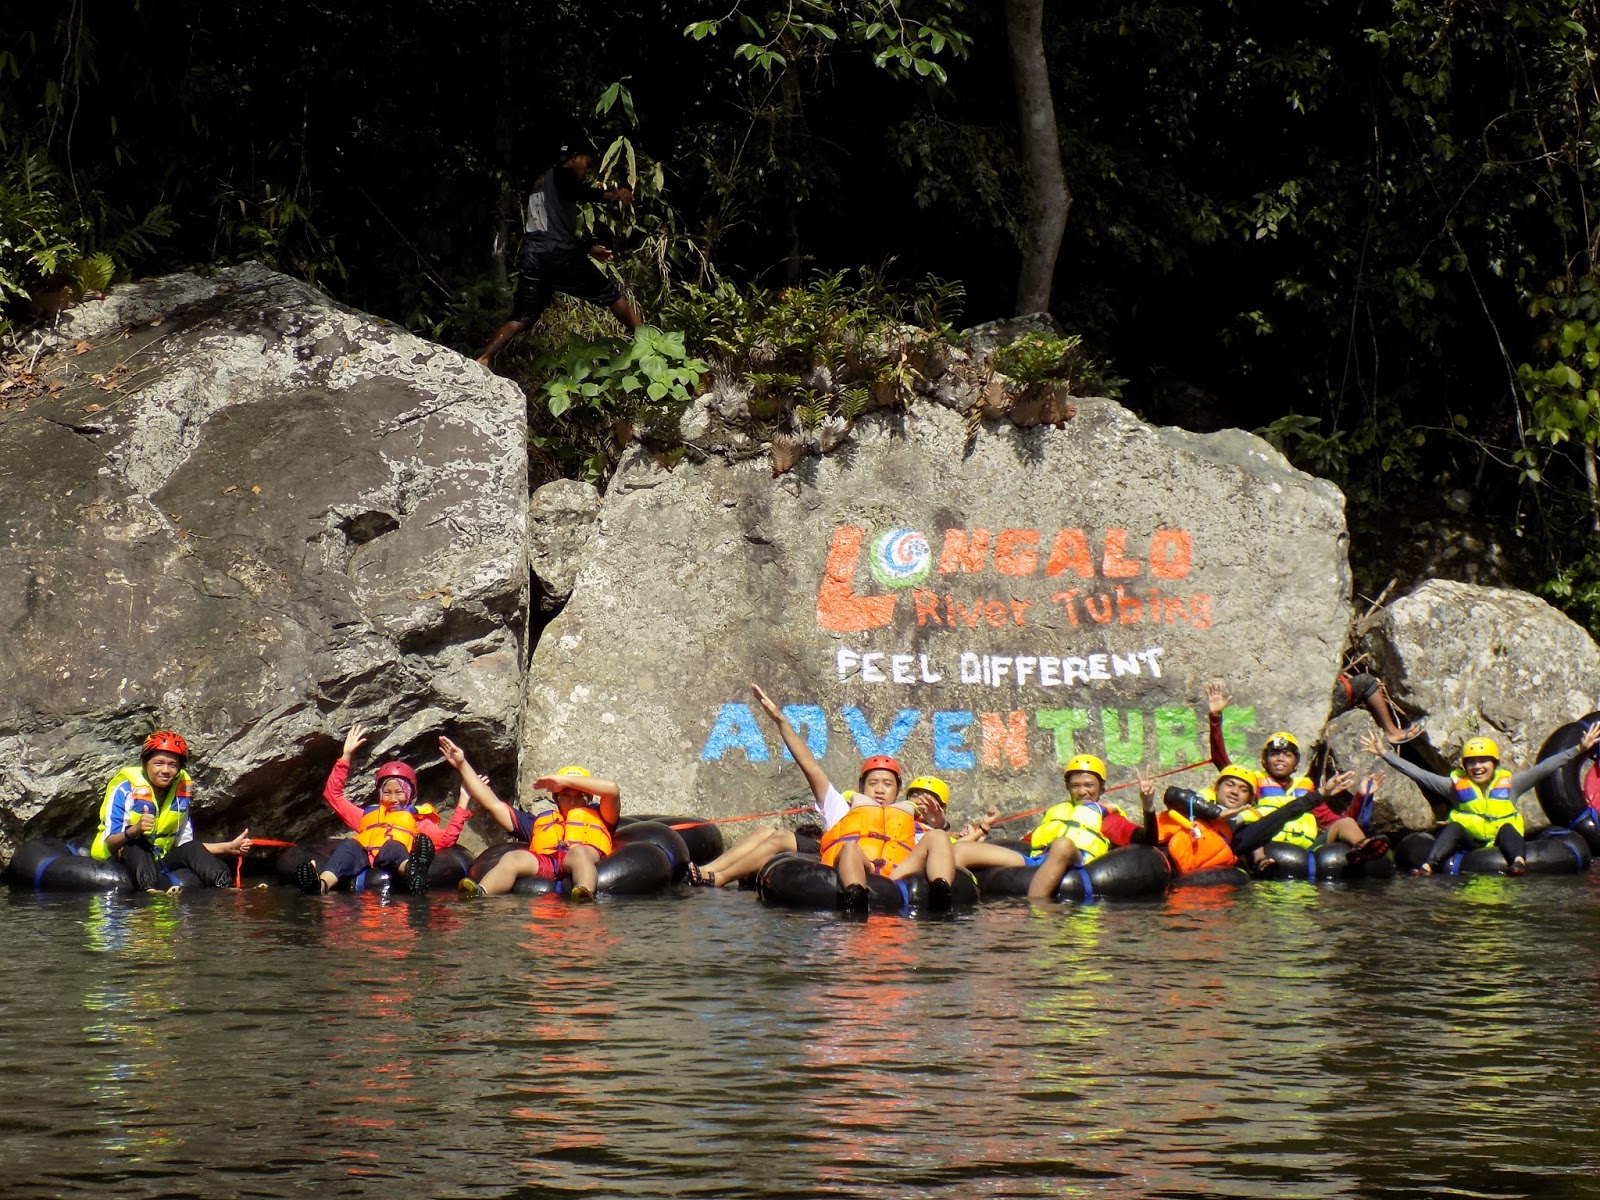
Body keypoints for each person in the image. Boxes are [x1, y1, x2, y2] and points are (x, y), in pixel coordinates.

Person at [750, 683, 956, 912]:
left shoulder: (910, 821)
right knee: (850, 847)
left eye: (887, 784)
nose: (879, 790)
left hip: (898, 873)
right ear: (861, 787)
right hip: (860, 866)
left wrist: (939, 825)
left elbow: (948, 848)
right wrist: (781, 721)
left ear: (897, 792)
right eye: (873, 783)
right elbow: (809, 766)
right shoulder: (841, 808)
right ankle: (855, 901)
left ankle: (942, 895)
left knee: (937, 836)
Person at [476, 139, 641, 366]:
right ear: (574, 158)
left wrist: (588, 248)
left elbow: (551, 228)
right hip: (558, 256)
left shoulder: (542, 181)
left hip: (534, 256)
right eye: (586, 162)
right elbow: (578, 191)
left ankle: (483, 358)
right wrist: (612, 195)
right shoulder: (562, 176)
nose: (587, 169)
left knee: (521, 317)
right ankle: (646, 341)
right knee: (611, 294)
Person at [1361, 723, 1600, 875]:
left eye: (1483, 761)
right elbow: (1418, 774)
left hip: (1500, 841)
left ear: (1494, 764)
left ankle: (1518, 861)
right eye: (1472, 763)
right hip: (1470, 843)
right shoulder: (1452, 787)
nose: (1478, 767)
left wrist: (1579, 749)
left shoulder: (1512, 785)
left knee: (1508, 826)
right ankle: (1429, 864)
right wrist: (1385, 754)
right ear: (1465, 767)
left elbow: (1546, 768)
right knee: (1453, 826)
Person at [1205, 682, 1386, 866]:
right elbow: (1224, 764)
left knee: (1346, 823)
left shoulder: (1307, 789)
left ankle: (1363, 848)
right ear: (1265, 761)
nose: (1280, 759)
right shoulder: (1255, 783)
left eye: (1287, 754)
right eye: (1274, 754)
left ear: (1296, 763)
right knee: (1251, 821)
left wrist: (1362, 796)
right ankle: (1261, 862)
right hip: (1269, 846)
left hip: (1307, 848)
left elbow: (1333, 822)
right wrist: (1215, 717)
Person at [949, 754, 1153, 900]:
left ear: (1101, 787)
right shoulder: (1056, 812)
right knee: (960, 849)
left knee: (1062, 844)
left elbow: (1145, 839)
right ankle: (955, 901)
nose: (1082, 791)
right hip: (1039, 859)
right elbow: (1024, 845)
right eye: (1076, 786)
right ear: (1068, 787)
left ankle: (1037, 910)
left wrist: (1148, 805)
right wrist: (982, 836)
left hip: (1078, 861)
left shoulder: (1107, 817)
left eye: (1089, 785)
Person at [443, 737, 621, 902]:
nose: (573, 800)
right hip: (548, 862)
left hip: (581, 856)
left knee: (579, 853)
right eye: (566, 795)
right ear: (556, 798)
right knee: (513, 858)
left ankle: (584, 893)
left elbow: (612, 790)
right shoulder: (538, 822)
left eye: (580, 795)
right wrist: (462, 764)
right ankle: (480, 892)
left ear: (589, 798)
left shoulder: (602, 815)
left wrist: (564, 780)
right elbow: (493, 804)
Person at [298, 724, 459, 895]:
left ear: (410, 792)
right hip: (362, 855)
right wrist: (346, 756)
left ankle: (414, 871)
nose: (393, 799)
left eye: (399, 792)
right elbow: (333, 795)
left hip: (392, 855)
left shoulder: (419, 821)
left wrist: (463, 801)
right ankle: (321, 885)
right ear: (380, 794)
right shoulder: (366, 815)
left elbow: (446, 840)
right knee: (348, 847)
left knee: (393, 848)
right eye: (387, 793)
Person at [91, 730, 251, 893]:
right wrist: (135, 829)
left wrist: (228, 847)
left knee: (193, 847)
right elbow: (111, 842)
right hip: (121, 859)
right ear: (146, 763)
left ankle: (226, 888)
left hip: (159, 860)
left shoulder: (180, 796)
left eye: (172, 765)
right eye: (159, 763)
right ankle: (150, 891)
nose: (166, 770)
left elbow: (185, 846)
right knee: (136, 844)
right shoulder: (125, 790)